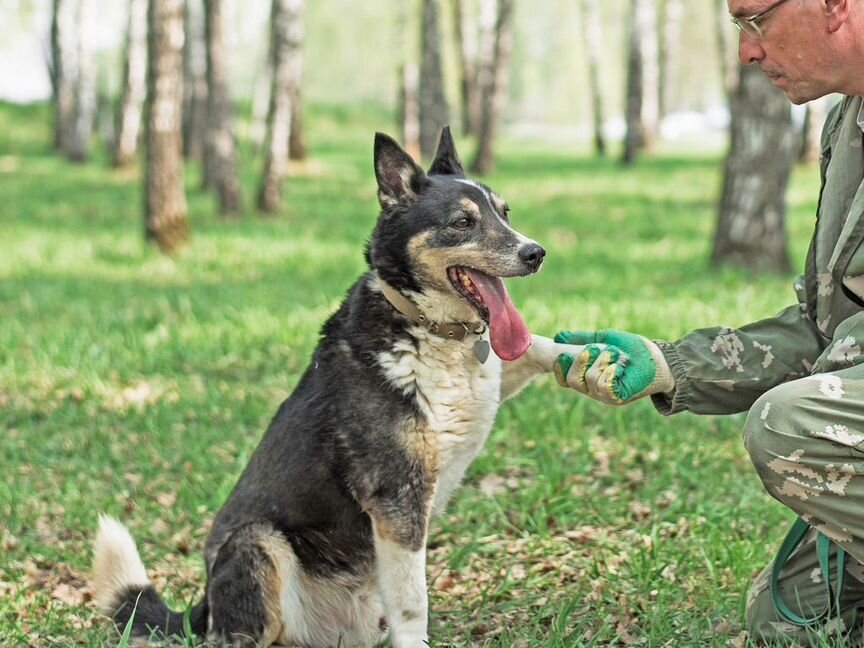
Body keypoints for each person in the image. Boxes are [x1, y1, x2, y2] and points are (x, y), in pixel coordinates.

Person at [553, 0, 864, 644]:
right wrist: (670, 365)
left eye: (756, 20)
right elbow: (822, 329)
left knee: (791, 425)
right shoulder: (849, 126)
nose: (748, 52)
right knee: (791, 617)